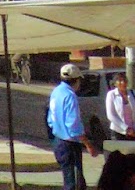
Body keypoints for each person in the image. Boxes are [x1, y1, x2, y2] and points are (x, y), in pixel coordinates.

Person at [47, 62, 102, 190]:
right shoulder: (70, 96)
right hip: (70, 144)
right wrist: (88, 144)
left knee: (69, 180)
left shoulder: (56, 92)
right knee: (75, 184)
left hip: (58, 141)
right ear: (76, 80)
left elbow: (50, 118)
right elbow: (73, 125)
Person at [105, 70, 135, 140]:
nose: (123, 83)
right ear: (115, 83)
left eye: (125, 80)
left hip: (134, 133)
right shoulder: (111, 94)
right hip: (118, 132)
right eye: (120, 81)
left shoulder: (133, 93)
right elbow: (111, 115)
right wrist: (126, 128)